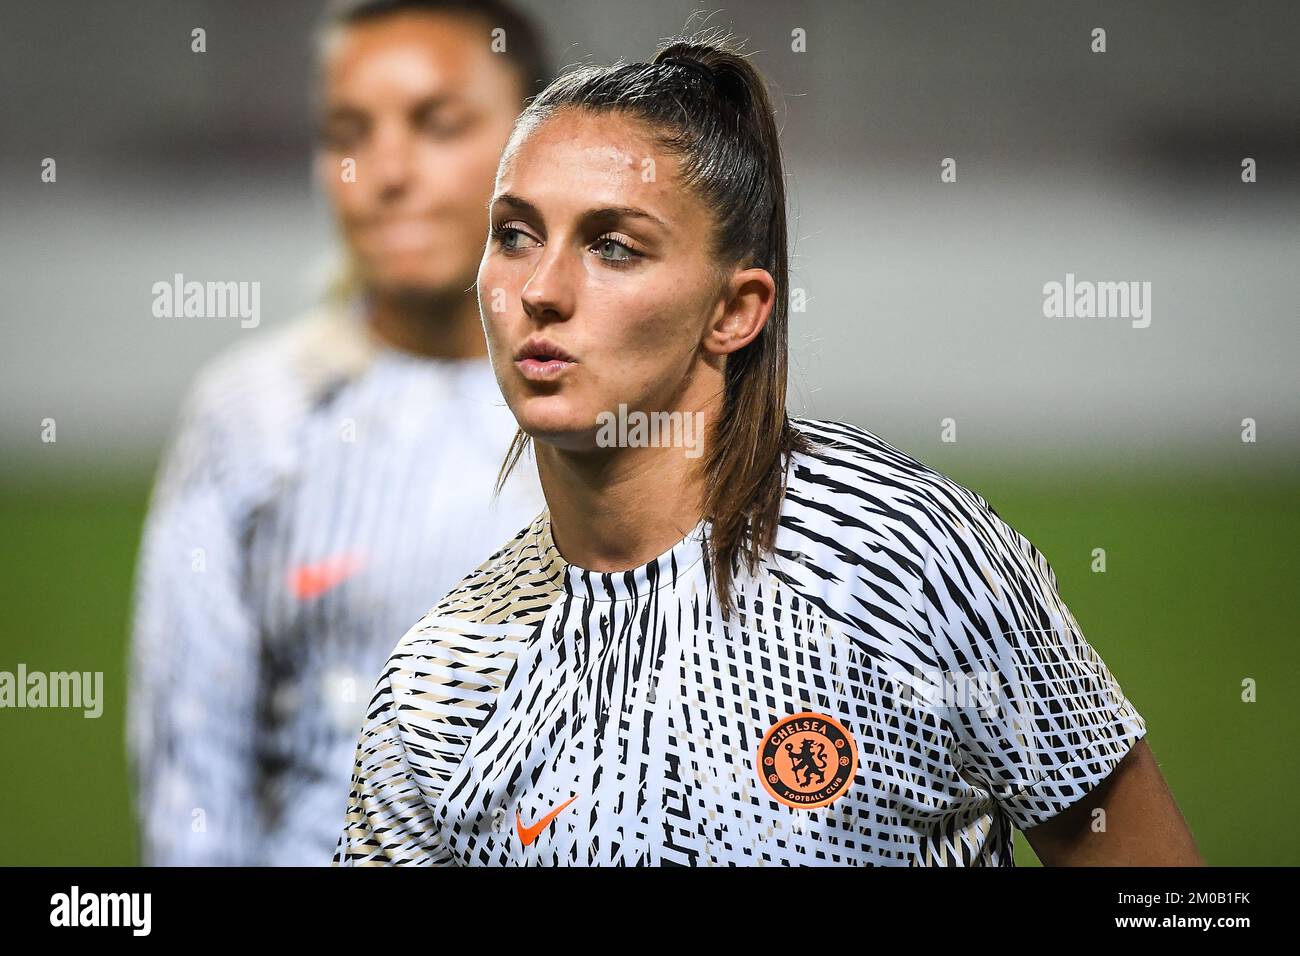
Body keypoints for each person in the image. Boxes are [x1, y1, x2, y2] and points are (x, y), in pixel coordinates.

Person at [334, 35, 1203, 866]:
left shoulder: (904, 564)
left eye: (614, 247)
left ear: (735, 311)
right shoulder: (440, 686)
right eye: (516, 234)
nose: (540, 289)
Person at [127, 0, 548, 866]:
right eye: (348, 133)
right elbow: (191, 778)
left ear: (542, 146)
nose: (385, 171)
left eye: (439, 124)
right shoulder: (250, 416)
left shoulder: (629, 414)